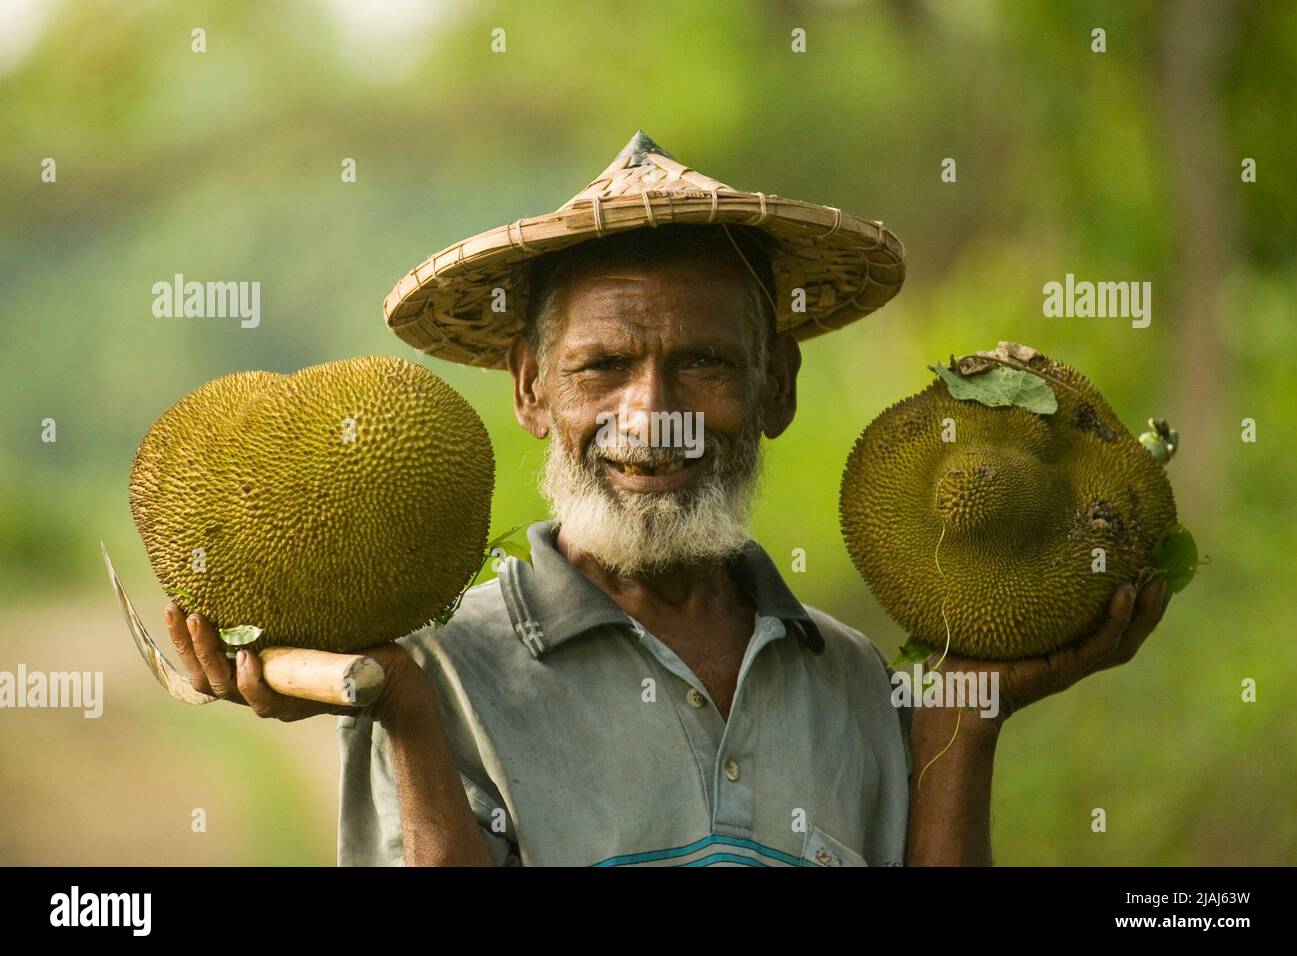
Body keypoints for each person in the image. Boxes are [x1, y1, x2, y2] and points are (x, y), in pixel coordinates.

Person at [163, 132, 1170, 866]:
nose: (655, 416)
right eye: (601, 368)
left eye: (704, 364)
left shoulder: (859, 680)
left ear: (776, 385)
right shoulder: (436, 678)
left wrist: (972, 711)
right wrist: (413, 721)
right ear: (530, 389)